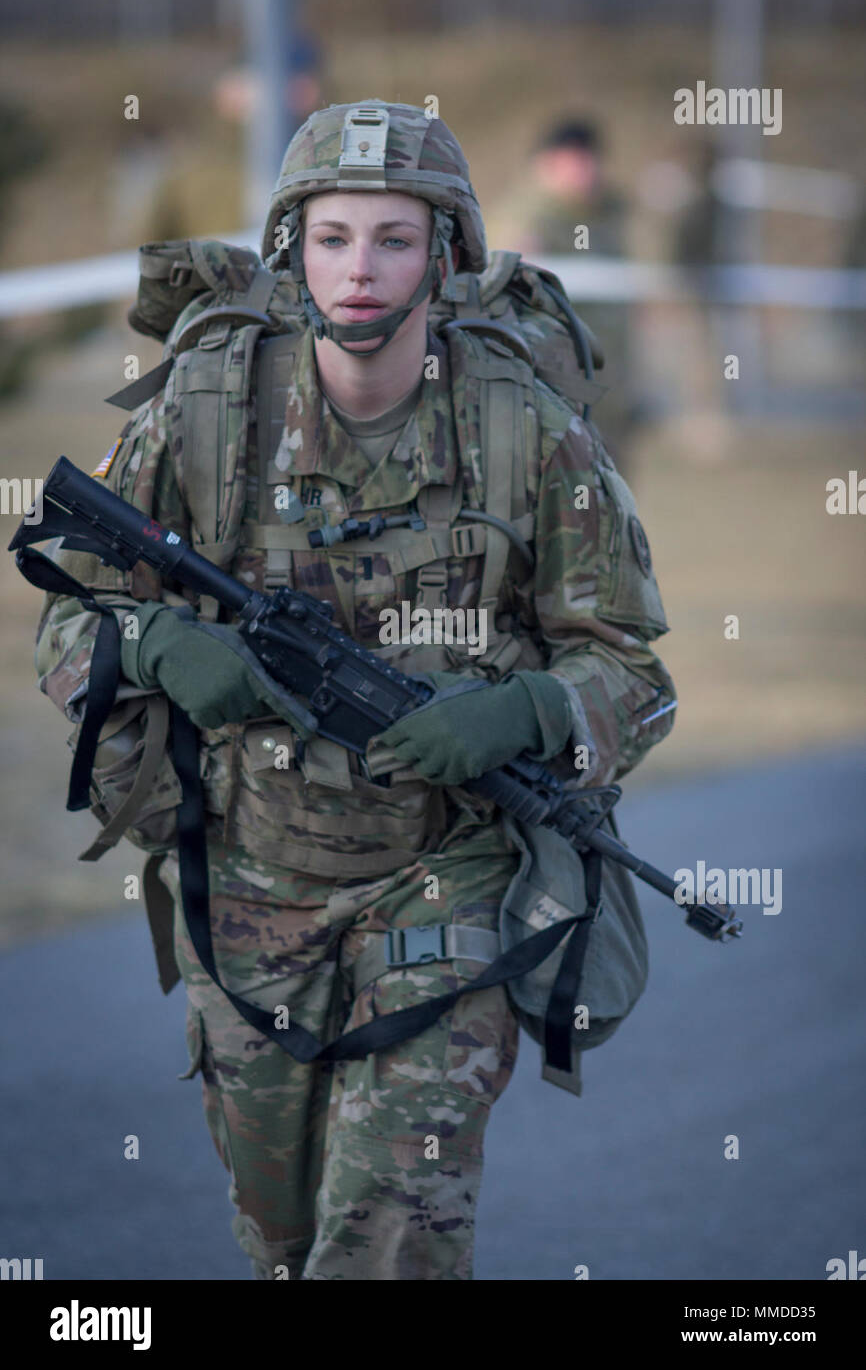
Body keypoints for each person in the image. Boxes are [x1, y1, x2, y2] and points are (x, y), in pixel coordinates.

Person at [33, 100, 676, 1281]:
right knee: (282, 1241)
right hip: (249, 877)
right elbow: (66, 616)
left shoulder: (524, 431)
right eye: (332, 236)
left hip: (448, 878)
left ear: (444, 252)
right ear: (291, 246)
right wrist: (157, 646)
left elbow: (634, 671)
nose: (360, 269)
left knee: (388, 1234)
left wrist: (526, 710)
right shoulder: (206, 410)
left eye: (393, 237)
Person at [495, 118, 637, 472]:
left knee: (615, 482)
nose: (580, 171)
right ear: (544, 164)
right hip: (556, 379)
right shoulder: (527, 215)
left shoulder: (615, 212)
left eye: (586, 160)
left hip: (612, 377)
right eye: (569, 161)